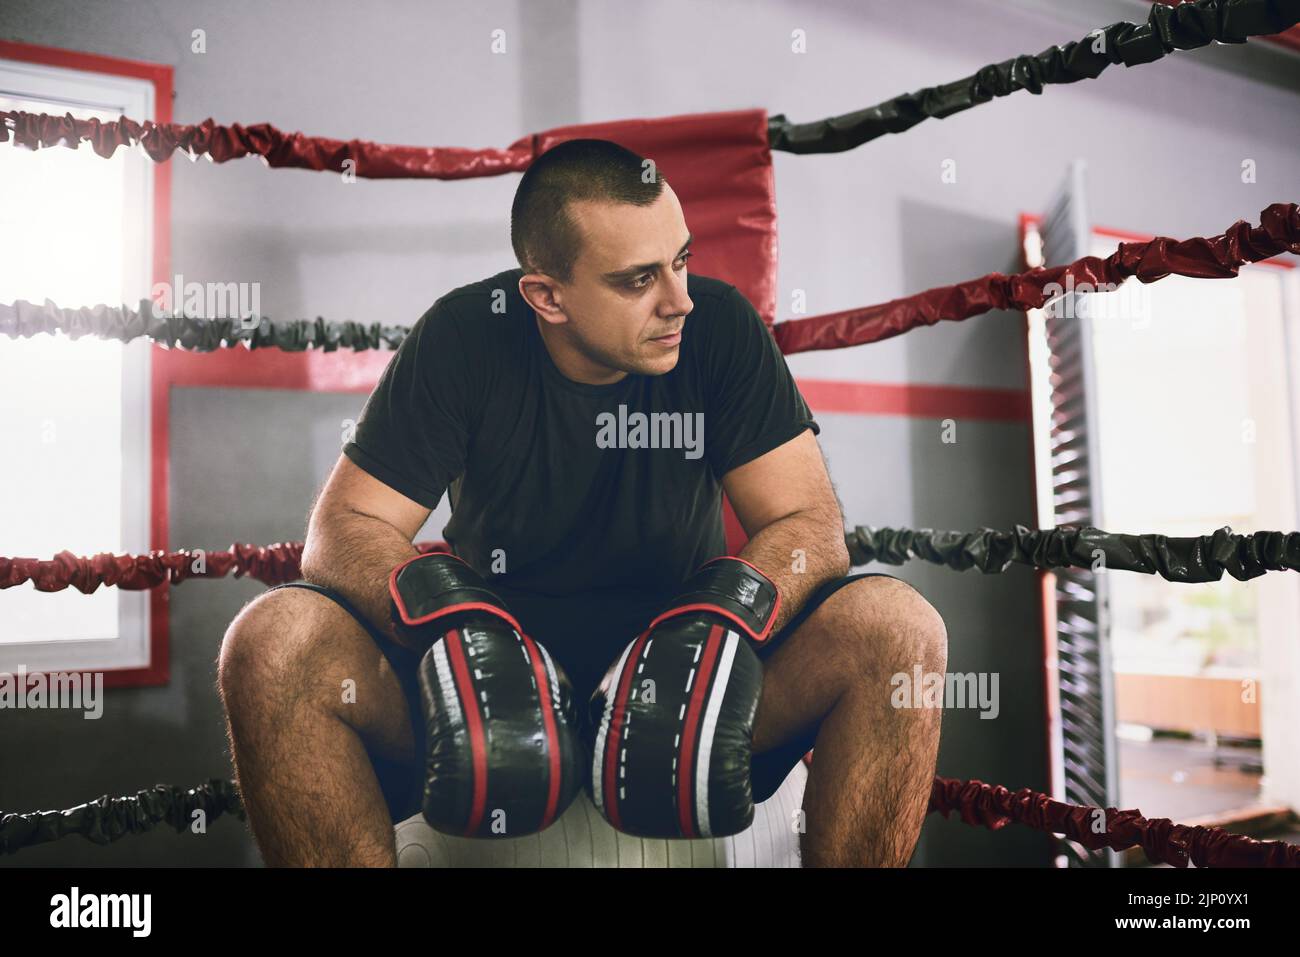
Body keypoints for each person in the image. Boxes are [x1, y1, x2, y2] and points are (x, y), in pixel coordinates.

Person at [217, 138, 947, 867]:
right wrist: (464, 627)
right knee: (272, 642)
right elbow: (343, 528)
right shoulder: (465, 338)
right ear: (547, 296)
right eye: (638, 281)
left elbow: (808, 523)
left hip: (690, 704)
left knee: (897, 627)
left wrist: (720, 622)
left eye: (682, 260)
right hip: (498, 712)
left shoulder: (716, 328)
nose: (679, 299)